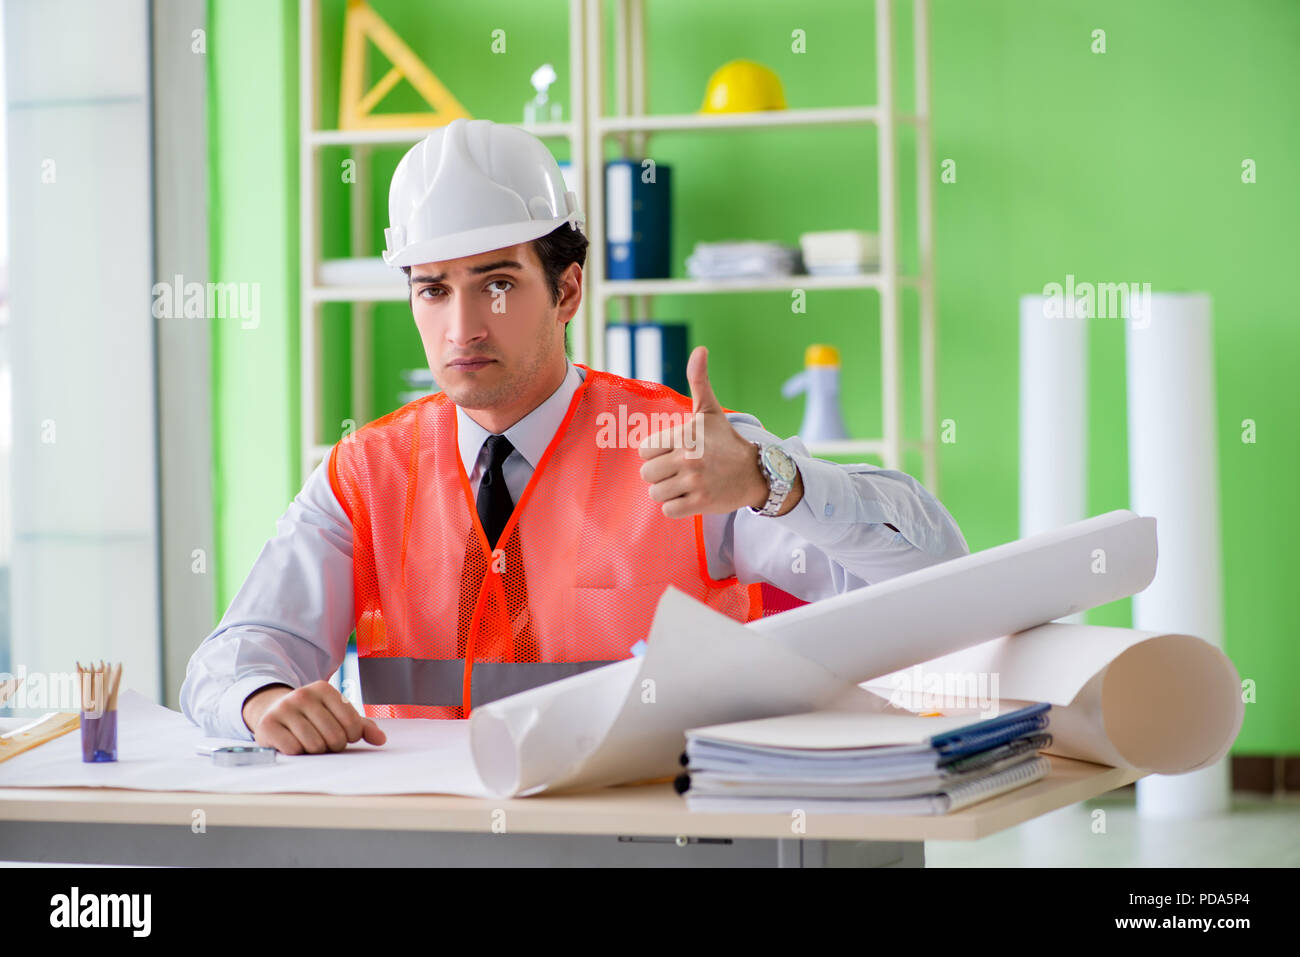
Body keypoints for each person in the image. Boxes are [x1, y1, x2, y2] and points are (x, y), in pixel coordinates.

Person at [180, 118, 968, 755]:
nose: (462, 327)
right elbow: (229, 658)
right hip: (432, 847)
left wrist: (775, 479)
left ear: (566, 290)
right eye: (433, 289)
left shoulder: (685, 449)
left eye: (496, 283)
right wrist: (264, 701)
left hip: (650, 844)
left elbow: (939, 575)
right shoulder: (364, 474)